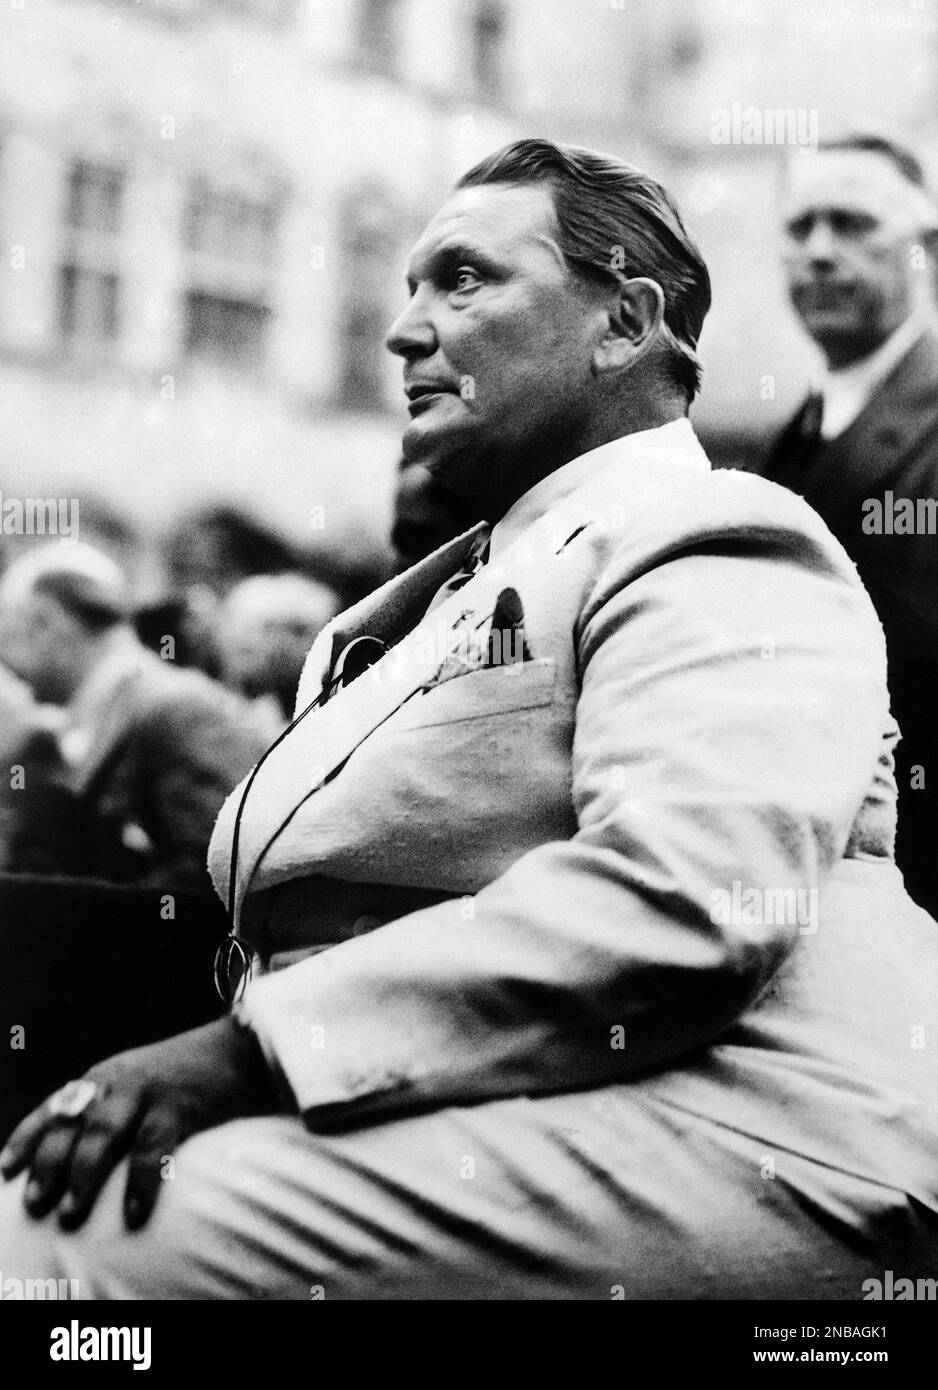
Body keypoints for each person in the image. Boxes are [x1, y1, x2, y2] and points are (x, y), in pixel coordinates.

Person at [1, 138, 936, 1300]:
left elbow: (686, 894)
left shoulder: (714, 532)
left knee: (57, 1245)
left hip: (753, 1128)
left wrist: (244, 1053)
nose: (402, 331)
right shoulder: (454, 587)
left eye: (463, 280)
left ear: (623, 322)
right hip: (522, 1091)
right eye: (405, 289)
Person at [757, 132, 938, 919]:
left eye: (853, 224)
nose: (820, 253)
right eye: (800, 228)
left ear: (925, 251)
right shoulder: (794, 434)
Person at [0, 543, 268, 888]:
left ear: (45, 620)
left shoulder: (175, 707)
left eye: (8, 637)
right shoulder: (129, 707)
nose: (7, 667)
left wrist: (88, 924)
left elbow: (225, 864)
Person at [217, 572, 343, 726]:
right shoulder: (235, 714)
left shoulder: (333, 705)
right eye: (268, 629)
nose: (281, 644)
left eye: (298, 632)